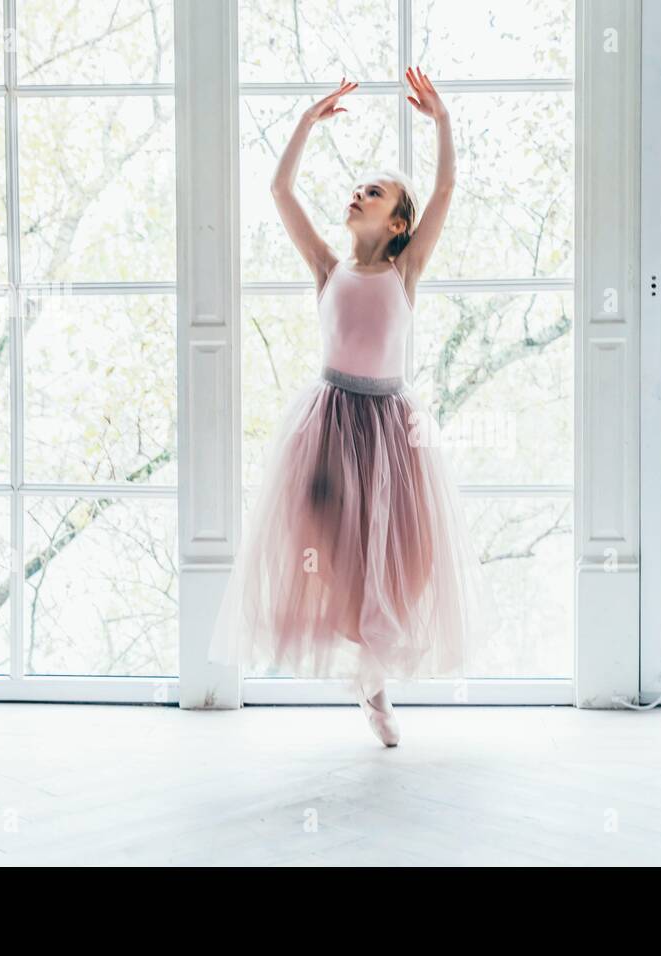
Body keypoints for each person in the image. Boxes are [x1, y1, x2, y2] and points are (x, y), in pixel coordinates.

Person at [208, 67, 498, 747]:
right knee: (328, 552)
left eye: (375, 191)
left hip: (391, 427)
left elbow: (448, 188)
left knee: (398, 560)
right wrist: (307, 123)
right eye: (358, 186)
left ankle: (377, 684)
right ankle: (368, 684)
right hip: (329, 423)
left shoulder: (405, 270)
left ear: (398, 222)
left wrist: (444, 123)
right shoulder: (326, 268)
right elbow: (280, 190)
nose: (358, 192)